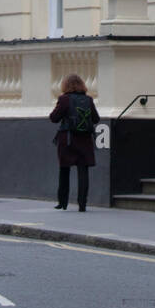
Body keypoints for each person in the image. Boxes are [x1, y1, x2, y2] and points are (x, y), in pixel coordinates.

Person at [49, 73, 100, 212]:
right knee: (83, 171)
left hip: (68, 138)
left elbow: (54, 118)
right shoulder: (88, 100)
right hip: (85, 139)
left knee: (64, 169)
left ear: (65, 85)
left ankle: (62, 202)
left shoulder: (64, 99)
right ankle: (82, 204)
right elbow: (96, 119)